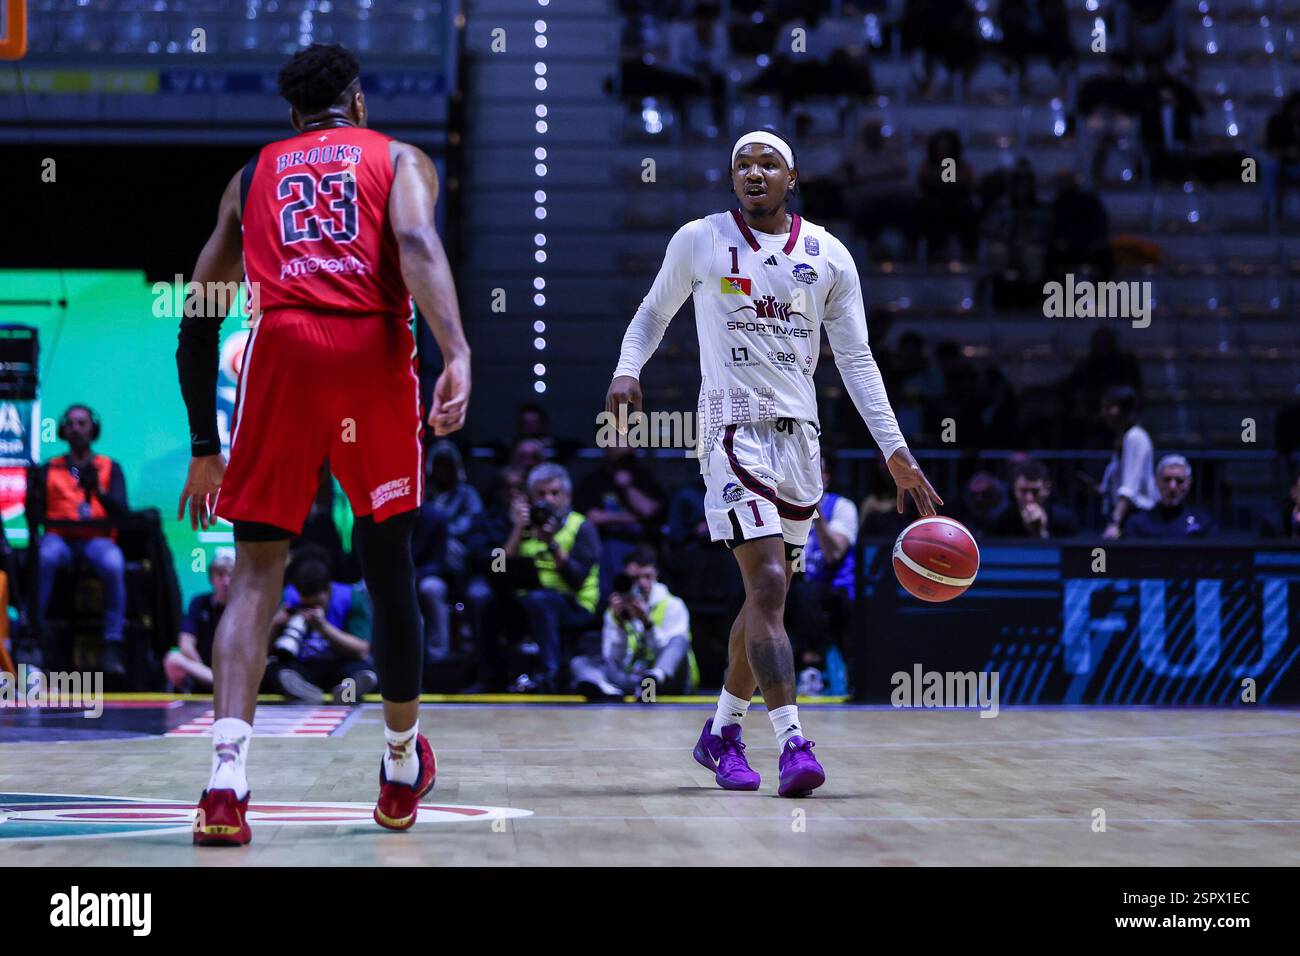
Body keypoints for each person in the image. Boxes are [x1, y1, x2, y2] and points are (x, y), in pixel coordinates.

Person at [176, 43, 471, 845]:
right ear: (359, 102)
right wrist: (458, 351)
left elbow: (200, 314)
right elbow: (414, 245)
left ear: (293, 115)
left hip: (282, 351)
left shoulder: (253, 174)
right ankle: (402, 767)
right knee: (387, 564)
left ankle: (226, 785)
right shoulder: (400, 157)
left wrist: (205, 441)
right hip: (369, 349)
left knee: (255, 575)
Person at [606, 128, 941, 797]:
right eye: (741, 165)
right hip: (731, 432)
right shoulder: (699, 239)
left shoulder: (829, 256)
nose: (753, 173)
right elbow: (651, 314)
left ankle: (722, 734)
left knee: (770, 598)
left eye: (767, 164)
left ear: (794, 177)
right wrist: (625, 370)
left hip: (801, 445)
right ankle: (792, 742)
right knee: (764, 585)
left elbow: (857, 362)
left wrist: (895, 451)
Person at [37, 404, 130, 684]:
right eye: (71, 423)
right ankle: (34, 636)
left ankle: (112, 645)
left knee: (113, 563)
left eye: (82, 423)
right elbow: (36, 513)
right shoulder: (49, 468)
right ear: (63, 430)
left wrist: (98, 492)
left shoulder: (109, 467)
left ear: (93, 429)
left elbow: (122, 512)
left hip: (97, 539)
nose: (76, 428)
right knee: (44, 557)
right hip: (60, 537)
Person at [503, 463, 601, 692]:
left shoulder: (582, 526)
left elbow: (575, 579)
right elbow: (499, 568)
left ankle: (551, 678)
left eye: (554, 493)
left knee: (541, 601)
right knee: (487, 601)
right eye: (541, 494)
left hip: (575, 604)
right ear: (530, 497)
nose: (548, 499)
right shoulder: (523, 525)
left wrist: (551, 543)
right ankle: (490, 678)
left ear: (567, 496)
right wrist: (517, 529)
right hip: (528, 599)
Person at [571, 549, 695, 700]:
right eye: (635, 578)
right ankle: (609, 692)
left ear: (656, 575)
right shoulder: (614, 610)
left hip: (668, 680)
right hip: (632, 679)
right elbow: (614, 659)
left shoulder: (673, 604)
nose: (642, 583)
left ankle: (653, 681)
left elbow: (666, 653)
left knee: (680, 641)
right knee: (579, 662)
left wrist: (647, 623)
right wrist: (620, 625)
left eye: (647, 577)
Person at [265, 557, 378, 703]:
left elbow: (362, 650)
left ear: (328, 590)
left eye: (317, 604)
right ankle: (303, 691)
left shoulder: (350, 598)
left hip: (340, 665)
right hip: (302, 667)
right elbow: (264, 653)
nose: (310, 609)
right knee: (275, 671)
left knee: (367, 672)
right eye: (305, 605)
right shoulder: (288, 597)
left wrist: (324, 627)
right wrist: (275, 624)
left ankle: (346, 693)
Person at [164, 552, 234, 691]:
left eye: (230, 576)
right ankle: (219, 684)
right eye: (220, 575)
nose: (225, 581)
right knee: (173, 658)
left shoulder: (244, 607)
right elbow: (185, 643)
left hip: (235, 671)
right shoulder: (199, 602)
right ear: (211, 579)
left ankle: (226, 684)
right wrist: (203, 670)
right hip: (204, 671)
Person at [1095, 385, 1157, 538]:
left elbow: (1130, 487)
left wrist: (1114, 522)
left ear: (1124, 409)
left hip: (1136, 519)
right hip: (1127, 515)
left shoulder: (1135, 437)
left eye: (1109, 407)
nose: (1105, 413)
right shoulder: (1125, 437)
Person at [1124, 454, 1217, 538]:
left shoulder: (1204, 522)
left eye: (1179, 481)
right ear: (1157, 481)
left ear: (1188, 483)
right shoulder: (1138, 523)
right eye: (1166, 479)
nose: (1172, 487)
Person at [987, 458, 1080, 538]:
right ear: (1014, 490)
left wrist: (1041, 532)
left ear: (1046, 489)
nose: (1029, 498)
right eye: (1023, 491)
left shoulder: (1065, 519)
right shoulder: (998, 520)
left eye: (1035, 491)